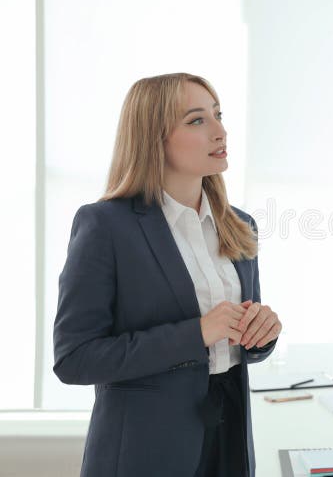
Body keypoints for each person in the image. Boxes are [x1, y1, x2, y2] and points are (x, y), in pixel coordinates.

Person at [53, 73, 282, 477]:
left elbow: (239, 347)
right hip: (146, 452)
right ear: (153, 137)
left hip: (230, 441)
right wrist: (196, 333)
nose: (220, 131)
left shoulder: (239, 225)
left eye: (218, 114)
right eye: (197, 120)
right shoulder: (106, 226)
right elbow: (74, 359)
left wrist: (262, 335)